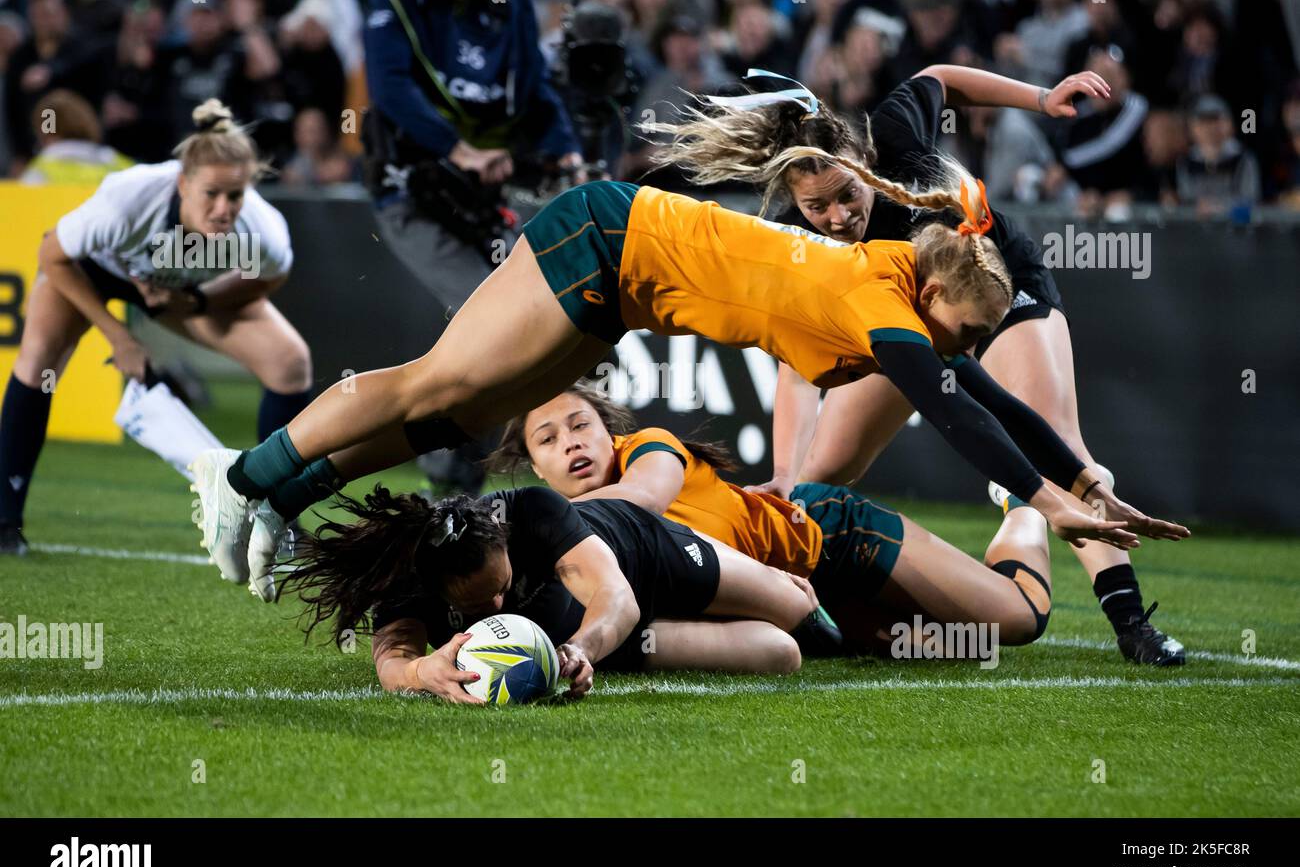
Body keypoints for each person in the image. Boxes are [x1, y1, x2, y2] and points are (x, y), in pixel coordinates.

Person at [189, 154, 1189, 601]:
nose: (964, 351)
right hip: (610, 236)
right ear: (931, 292)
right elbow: (956, 408)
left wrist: (1082, 481)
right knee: (433, 383)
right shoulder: (882, 304)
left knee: (464, 415)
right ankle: (238, 477)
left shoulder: (910, 299)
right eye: (962, 332)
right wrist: (1049, 503)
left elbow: (990, 398)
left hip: (627, 283)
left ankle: (287, 491)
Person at [647, 65, 1185, 666]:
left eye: (848, 194)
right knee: (812, 486)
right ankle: (808, 612)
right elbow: (800, 367)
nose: (838, 217)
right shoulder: (798, 239)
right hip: (898, 328)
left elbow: (940, 78)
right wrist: (783, 470)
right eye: (815, 206)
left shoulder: (893, 136)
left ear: (860, 160)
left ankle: (1131, 621)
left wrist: (1040, 97)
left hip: (992, 297)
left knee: (1054, 441)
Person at [489, 381, 1073, 657]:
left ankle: (1022, 505)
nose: (571, 443)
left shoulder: (646, 447)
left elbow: (639, 501)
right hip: (804, 609)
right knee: (963, 649)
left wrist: (537, 519)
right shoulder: (571, 557)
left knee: (1020, 620)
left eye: (580, 425)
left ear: (607, 430)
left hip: (830, 539)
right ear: (536, 466)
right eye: (548, 438)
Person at [0, 99, 311, 556]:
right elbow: (52, 253)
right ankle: (5, 519)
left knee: (290, 362)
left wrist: (199, 300)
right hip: (91, 271)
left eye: (235, 195)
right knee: (40, 360)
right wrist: (120, 336)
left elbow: (272, 274)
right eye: (211, 194)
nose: (225, 209)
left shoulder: (259, 226)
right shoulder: (131, 196)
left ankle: (279, 520)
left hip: (173, 289)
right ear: (182, 182)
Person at [360, 0, 584, 494]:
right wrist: (455, 148)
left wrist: (565, 149)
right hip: (411, 190)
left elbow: (533, 85)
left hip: (483, 196)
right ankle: (446, 472)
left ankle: (469, 471)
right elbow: (389, 85)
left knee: (529, 314)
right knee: (487, 319)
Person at [283, 484, 824, 704]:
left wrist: (586, 645)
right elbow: (393, 660)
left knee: (796, 606)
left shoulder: (534, 511)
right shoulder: (407, 577)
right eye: (476, 605)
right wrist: (424, 673)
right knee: (781, 654)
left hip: (638, 553)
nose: (499, 606)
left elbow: (618, 597)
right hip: (601, 641)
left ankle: (704, 537)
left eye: (501, 588)